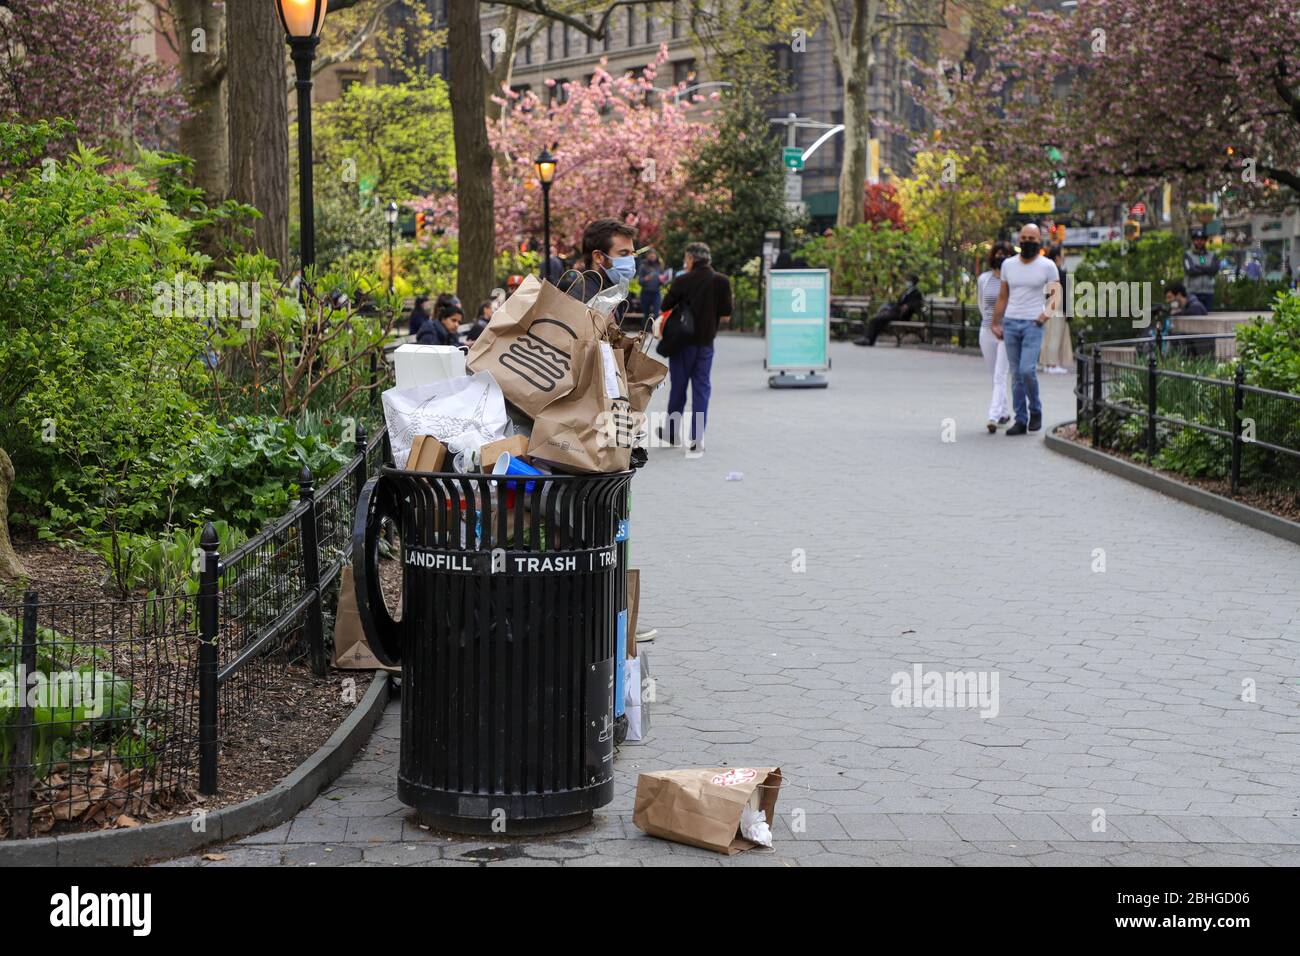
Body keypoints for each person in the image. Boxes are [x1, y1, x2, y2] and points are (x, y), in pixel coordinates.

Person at [658, 242, 731, 452]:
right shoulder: (721, 281)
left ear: (690, 259)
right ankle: (697, 438)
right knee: (702, 389)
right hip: (706, 344)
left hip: (682, 344)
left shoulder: (682, 280)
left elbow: (665, 306)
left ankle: (672, 433)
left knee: (678, 389)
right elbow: (725, 315)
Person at [992, 223, 1058, 435]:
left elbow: (1055, 297)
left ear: (1039, 241)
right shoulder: (1008, 265)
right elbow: (1003, 296)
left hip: (1033, 324)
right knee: (1016, 375)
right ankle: (1020, 419)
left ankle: (1035, 409)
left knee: (1027, 370)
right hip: (1011, 323)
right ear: (1018, 240)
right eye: (1024, 238)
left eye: (1032, 239)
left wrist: (1042, 317)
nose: (1028, 242)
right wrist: (995, 322)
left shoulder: (1048, 266)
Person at [562, 218, 637, 325]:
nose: (631, 260)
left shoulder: (608, 293)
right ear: (598, 257)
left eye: (632, 254)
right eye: (624, 253)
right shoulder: (586, 301)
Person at [978, 241, 1015, 433]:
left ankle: (993, 415)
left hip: (1006, 332)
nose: (1002, 258)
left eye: (1006, 254)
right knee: (995, 376)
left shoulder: (1012, 280)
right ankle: (1004, 413)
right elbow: (982, 304)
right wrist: (990, 325)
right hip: (987, 331)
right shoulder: (984, 279)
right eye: (999, 254)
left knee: (1000, 375)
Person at [855, 274, 923, 346]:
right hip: (895, 312)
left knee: (877, 319)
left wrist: (908, 306)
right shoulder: (906, 291)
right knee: (876, 319)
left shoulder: (917, 293)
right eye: (907, 280)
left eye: (909, 280)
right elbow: (899, 302)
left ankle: (868, 339)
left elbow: (917, 304)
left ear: (913, 282)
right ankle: (868, 339)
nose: (907, 282)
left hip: (902, 315)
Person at [1039, 243, 1073, 374]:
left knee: (1047, 336)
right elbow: (1065, 295)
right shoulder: (1061, 274)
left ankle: (1047, 364)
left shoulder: (1046, 273)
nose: (1064, 257)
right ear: (1057, 257)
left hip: (1047, 307)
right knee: (1055, 336)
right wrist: (1069, 312)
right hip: (1058, 308)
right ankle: (1053, 365)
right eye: (1062, 254)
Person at [1184, 228, 1219, 312]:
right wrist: (1206, 269)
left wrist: (1198, 267)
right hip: (1192, 292)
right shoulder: (1188, 255)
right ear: (1193, 241)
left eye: (1202, 239)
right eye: (1197, 239)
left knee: (1208, 316)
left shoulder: (1211, 255)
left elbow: (1214, 270)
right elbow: (1190, 270)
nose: (1199, 242)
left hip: (1208, 291)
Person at [637, 249, 669, 331]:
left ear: (656, 256)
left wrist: (663, 280)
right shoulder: (643, 266)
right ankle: (644, 330)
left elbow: (663, 281)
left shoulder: (659, 266)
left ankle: (655, 329)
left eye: (653, 255)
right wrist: (646, 279)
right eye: (650, 255)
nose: (652, 256)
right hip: (646, 292)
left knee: (656, 313)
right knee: (646, 314)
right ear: (647, 256)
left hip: (656, 292)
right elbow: (640, 281)